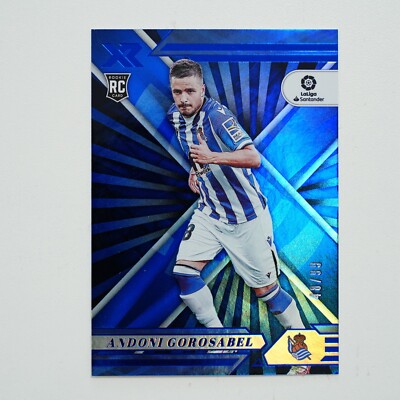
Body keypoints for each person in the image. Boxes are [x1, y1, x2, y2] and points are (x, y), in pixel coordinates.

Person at [167, 59, 310, 375]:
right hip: (210, 212)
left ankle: (305, 356)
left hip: (246, 218)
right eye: (177, 92)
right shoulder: (175, 116)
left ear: (202, 89)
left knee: (267, 293)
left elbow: (252, 157)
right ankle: (222, 342)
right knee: (184, 273)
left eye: (190, 91)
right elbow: (194, 151)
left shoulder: (218, 117)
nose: (183, 99)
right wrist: (196, 171)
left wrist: (212, 157)